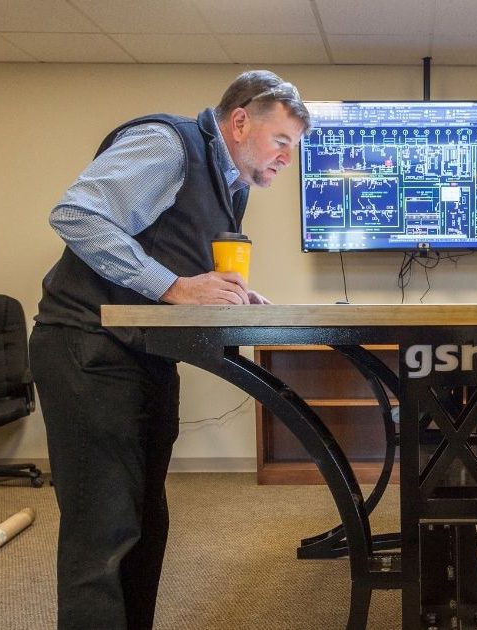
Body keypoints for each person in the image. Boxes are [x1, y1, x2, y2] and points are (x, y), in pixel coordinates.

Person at [29, 70, 309, 630]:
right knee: (103, 529)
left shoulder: (229, 184)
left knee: (145, 521)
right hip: (86, 347)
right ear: (239, 121)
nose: (286, 159)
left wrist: (222, 292)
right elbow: (78, 215)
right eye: (281, 142)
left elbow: (167, 252)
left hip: (143, 355)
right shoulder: (169, 144)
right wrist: (175, 287)